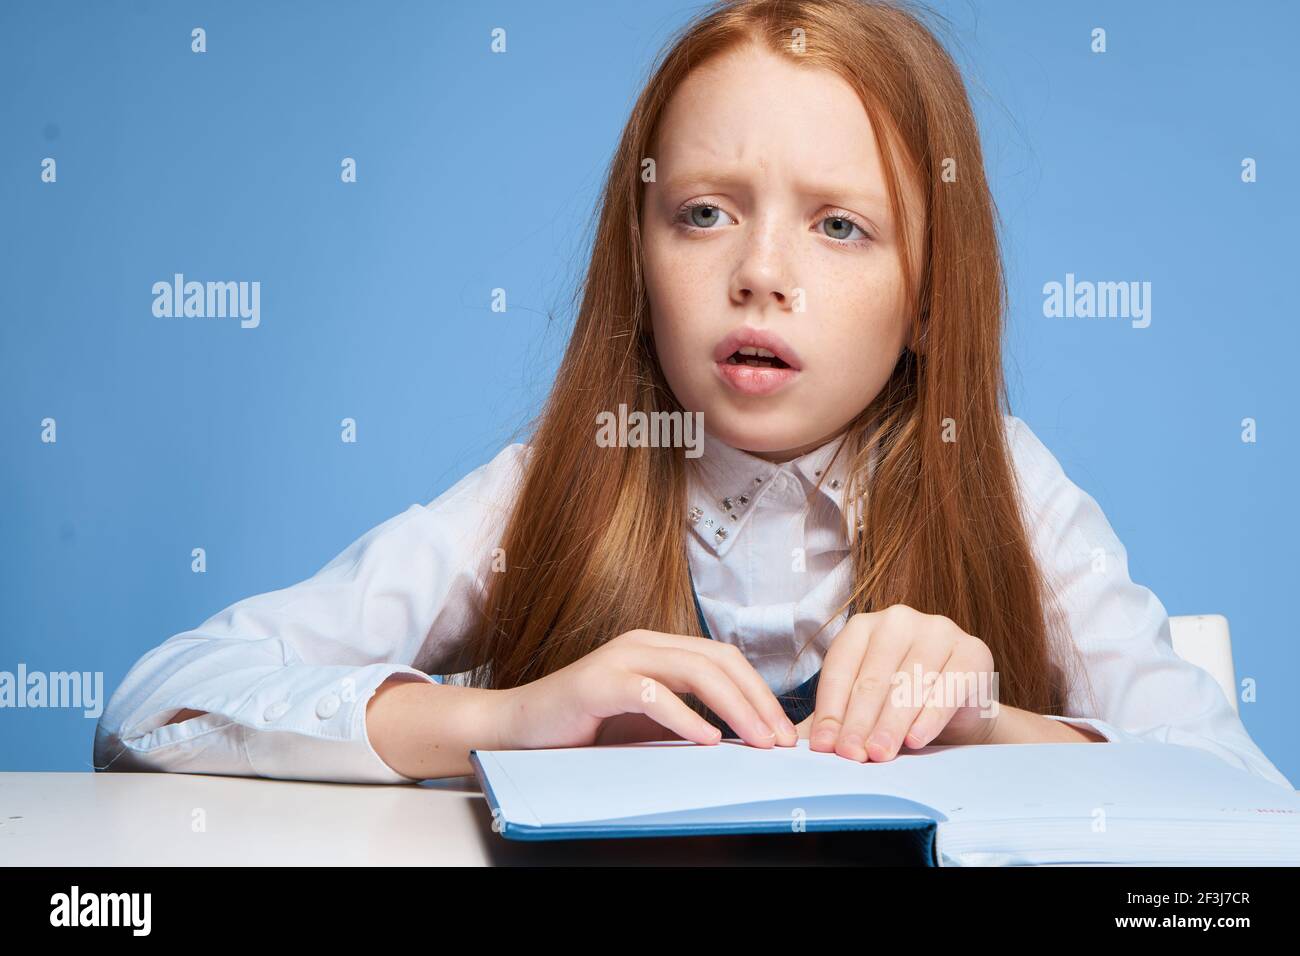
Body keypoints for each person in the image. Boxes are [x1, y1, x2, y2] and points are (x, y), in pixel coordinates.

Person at [92, 0, 1292, 789]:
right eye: (704, 212)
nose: (759, 274)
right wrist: (507, 722)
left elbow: (1243, 796)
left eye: (839, 226)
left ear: (930, 297)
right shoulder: (553, 487)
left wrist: (985, 726)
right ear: (642, 255)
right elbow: (157, 710)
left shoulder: (1009, 487)